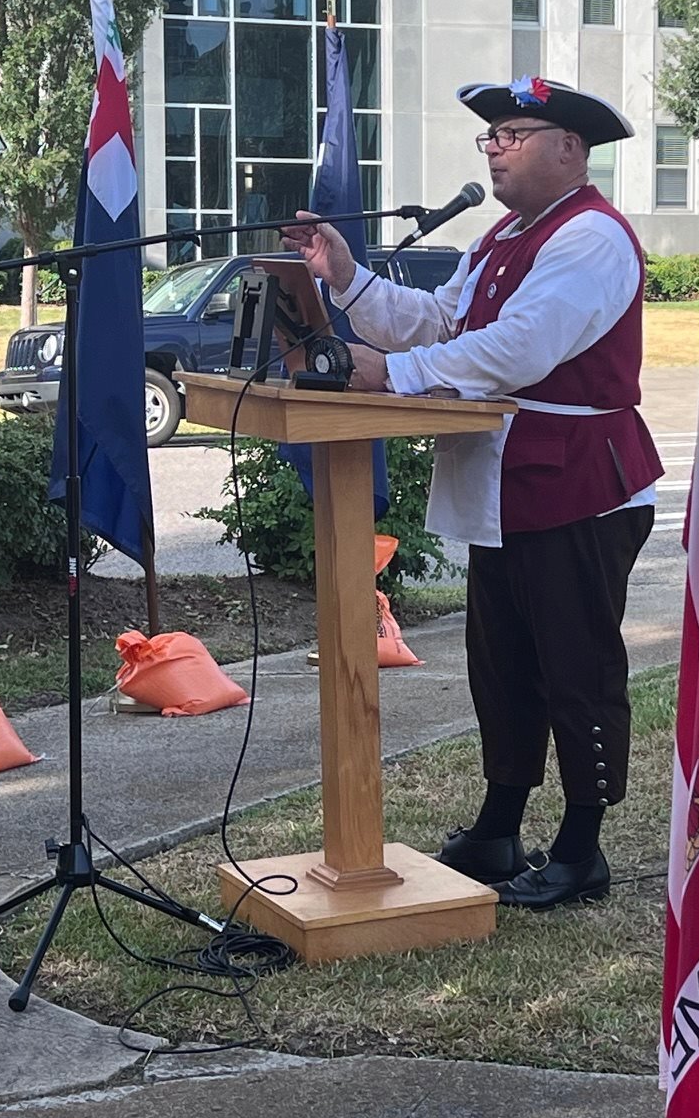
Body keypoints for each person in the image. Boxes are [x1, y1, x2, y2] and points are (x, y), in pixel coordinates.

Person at [281, 76, 660, 909]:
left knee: (577, 668)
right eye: (490, 138)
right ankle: (499, 825)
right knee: (503, 666)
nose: (493, 147)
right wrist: (347, 279)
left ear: (569, 148)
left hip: (576, 481)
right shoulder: (501, 238)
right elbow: (443, 320)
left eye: (513, 134)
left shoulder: (590, 238)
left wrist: (396, 379)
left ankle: (582, 846)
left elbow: (519, 347)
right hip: (505, 480)